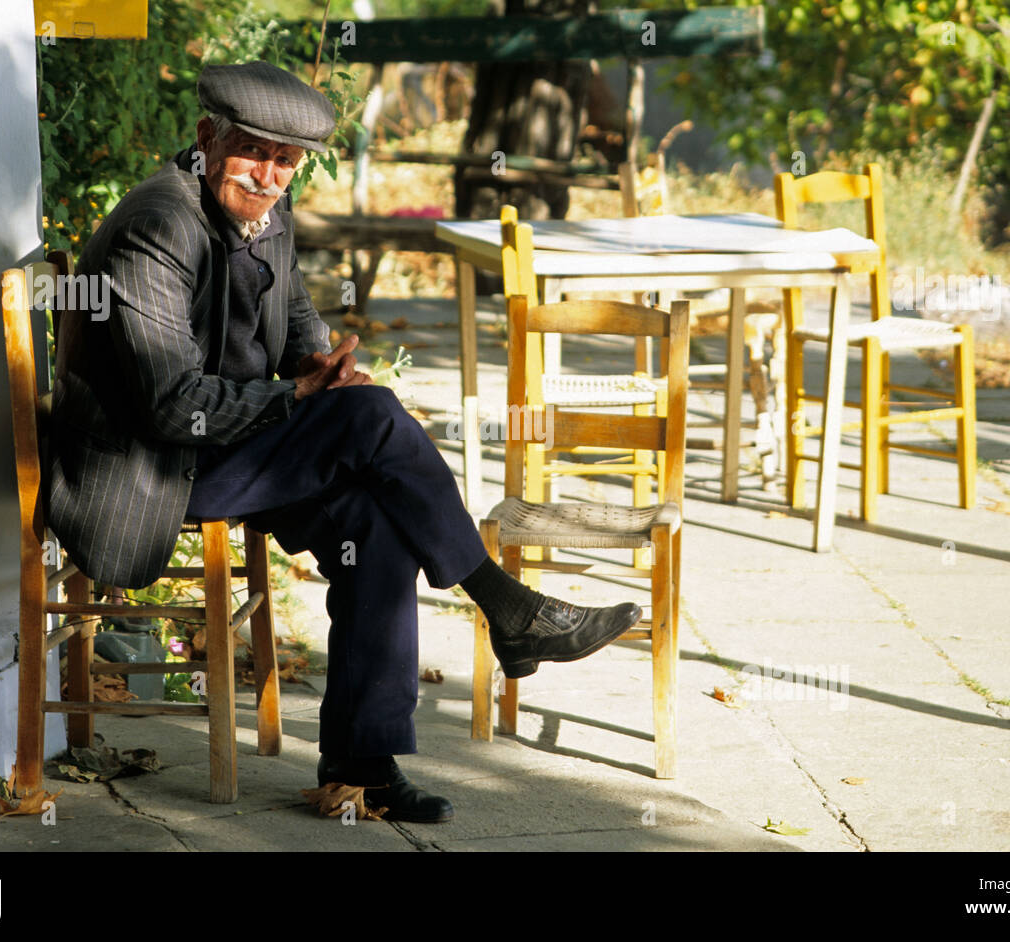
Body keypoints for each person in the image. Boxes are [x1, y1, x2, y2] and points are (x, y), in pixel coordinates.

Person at [46, 60, 642, 823]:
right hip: (148, 474)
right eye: (253, 152)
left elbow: (295, 324)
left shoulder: (266, 216)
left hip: (227, 449)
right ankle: (506, 605)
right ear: (206, 138)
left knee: (374, 519)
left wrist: (321, 363)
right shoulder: (157, 228)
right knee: (372, 420)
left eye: (286, 161)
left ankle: (360, 770)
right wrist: (297, 397)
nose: (269, 176)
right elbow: (168, 404)